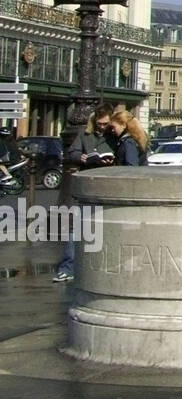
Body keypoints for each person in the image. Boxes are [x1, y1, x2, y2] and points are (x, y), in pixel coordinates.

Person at [54, 104, 116, 282]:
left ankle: (100, 266)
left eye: (105, 124)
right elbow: (71, 152)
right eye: (99, 123)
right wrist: (79, 157)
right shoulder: (84, 134)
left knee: (105, 228)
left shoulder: (114, 137)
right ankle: (67, 267)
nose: (101, 127)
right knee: (75, 228)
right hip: (86, 185)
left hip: (107, 186)